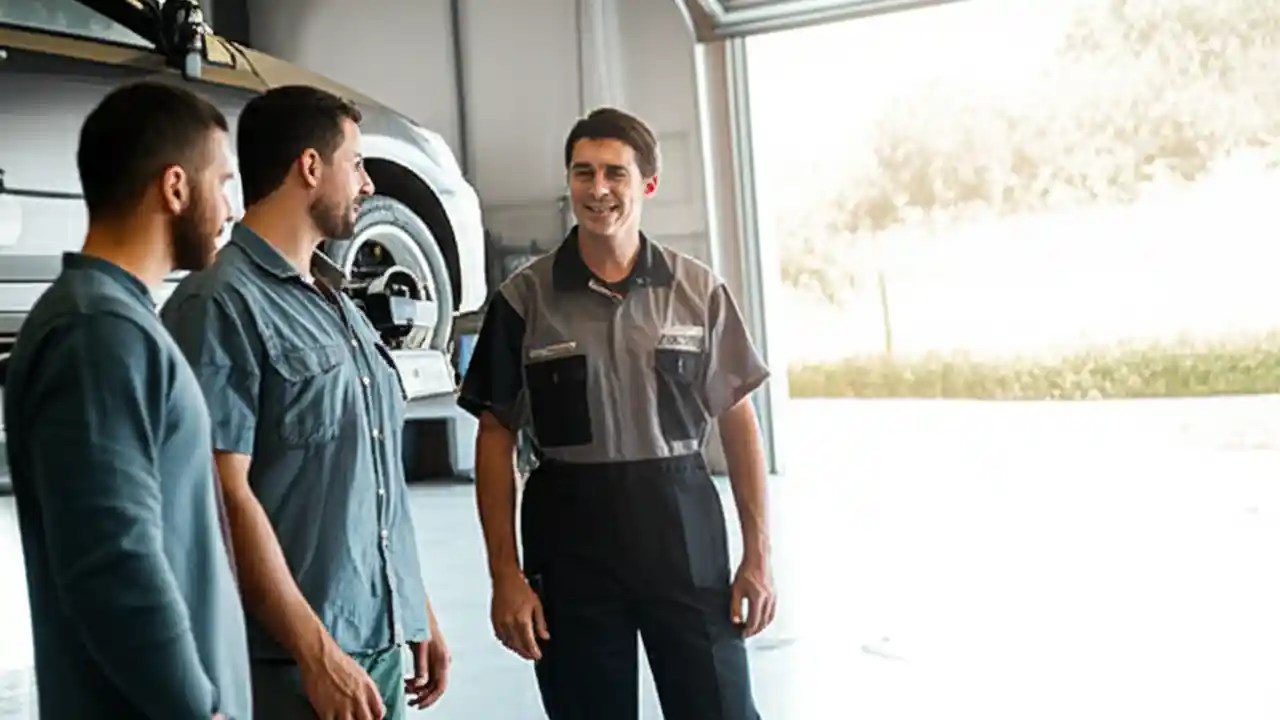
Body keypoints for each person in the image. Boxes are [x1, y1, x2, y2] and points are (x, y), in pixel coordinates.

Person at [459, 107, 777, 719]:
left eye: (615, 173)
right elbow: (495, 435)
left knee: (720, 707)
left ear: (647, 185)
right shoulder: (525, 299)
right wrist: (505, 575)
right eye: (583, 173)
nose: (597, 189)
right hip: (569, 532)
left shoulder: (697, 291)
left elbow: (738, 422)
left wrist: (758, 557)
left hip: (680, 523)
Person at [160, 85, 450, 720]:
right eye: (357, 164)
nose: (368, 185)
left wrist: (412, 601)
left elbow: (367, 473)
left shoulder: (338, 305)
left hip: (377, 645)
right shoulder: (220, 305)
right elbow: (222, 495)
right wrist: (316, 654)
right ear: (310, 167)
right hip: (291, 664)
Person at [2, 81, 249, 720]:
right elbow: (113, 560)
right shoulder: (97, 334)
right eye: (223, 182)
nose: (230, 209)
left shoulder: (119, 324)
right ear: (175, 187)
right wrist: (197, 709)